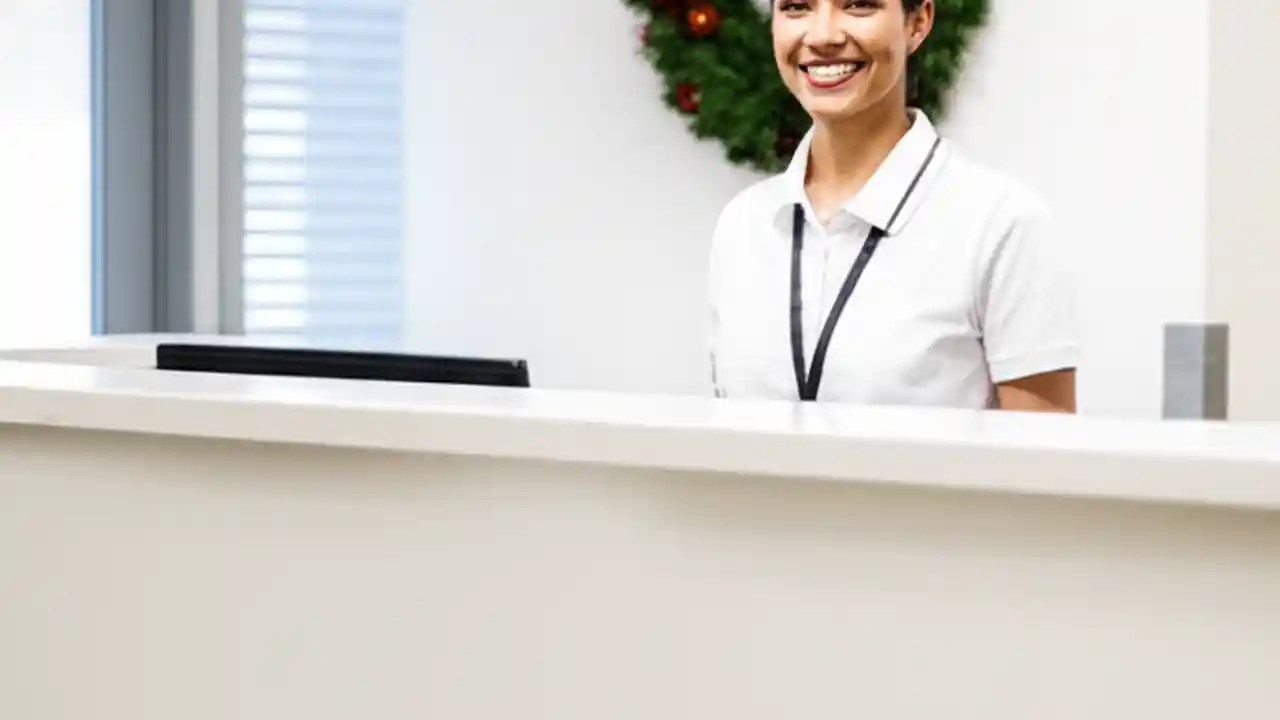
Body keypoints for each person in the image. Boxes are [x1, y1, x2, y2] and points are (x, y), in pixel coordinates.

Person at [707, 0, 1078, 412]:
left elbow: (1039, 463)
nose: (823, 35)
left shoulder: (1001, 224)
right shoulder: (743, 225)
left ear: (918, 22)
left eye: (859, 5)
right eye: (797, 7)